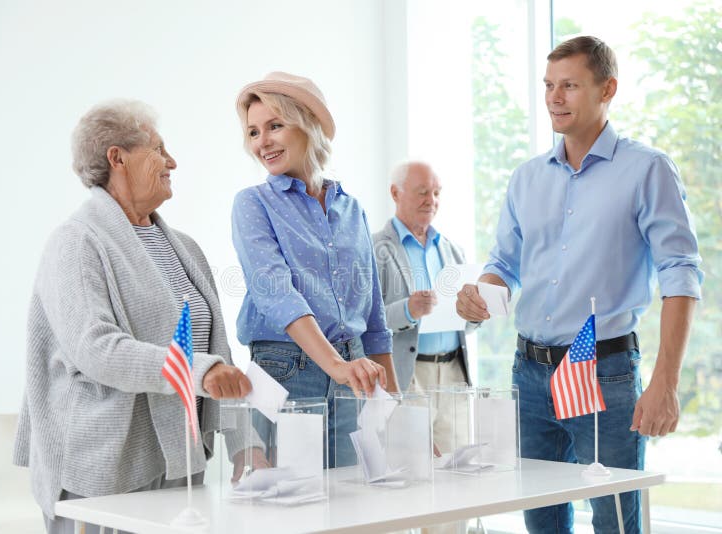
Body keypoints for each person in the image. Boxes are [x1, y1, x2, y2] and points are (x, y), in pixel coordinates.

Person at [456, 36, 702, 533]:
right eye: (548, 85)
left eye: (569, 85)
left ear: (607, 89)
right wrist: (480, 292)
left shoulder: (647, 170)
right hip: (529, 374)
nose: (554, 97)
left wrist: (665, 382)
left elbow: (680, 273)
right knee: (541, 522)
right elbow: (504, 262)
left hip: (603, 374)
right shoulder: (526, 177)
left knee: (615, 522)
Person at [13, 99, 266, 534]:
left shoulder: (184, 247)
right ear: (117, 157)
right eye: (158, 149)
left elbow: (217, 352)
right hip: (99, 474)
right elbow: (97, 349)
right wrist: (197, 372)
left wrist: (246, 443)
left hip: (179, 467)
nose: (172, 162)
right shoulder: (75, 242)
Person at [232, 72, 399, 467]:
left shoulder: (351, 208)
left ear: (309, 124)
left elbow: (373, 314)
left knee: (355, 497)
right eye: (253, 132)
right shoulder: (253, 204)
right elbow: (277, 294)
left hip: (355, 373)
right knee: (291, 499)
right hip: (286, 372)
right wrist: (336, 365)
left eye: (275, 126)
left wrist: (397, 408)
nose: (262, 142)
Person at [373, 161, 474, 436]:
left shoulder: (453, 250)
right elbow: (363, 321)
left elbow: (466, 324)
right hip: (408, 374)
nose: (431, 200)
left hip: (454, 375)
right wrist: (408, 309)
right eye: (422, 192)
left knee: (459, 459)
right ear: (395, 193)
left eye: (436, 193)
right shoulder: (375, 249)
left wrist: (475, 313)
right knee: (411, 458)